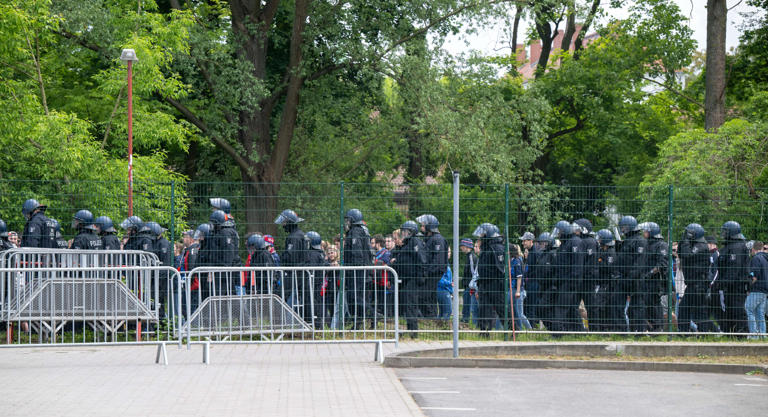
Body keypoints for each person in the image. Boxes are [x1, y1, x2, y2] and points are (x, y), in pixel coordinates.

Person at [391, 220, 427, 336]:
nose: (404, 234)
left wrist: (420, 277)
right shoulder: (407, 243)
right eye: (403, 231)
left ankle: (413, 332)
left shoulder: (415, 242)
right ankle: (410, 328)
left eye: (406, 231)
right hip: (406, 279)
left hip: (413, 279)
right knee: (407, 305)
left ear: (412, 232)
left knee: (411, 305)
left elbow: (421, 260)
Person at [677, 223, 712, 333]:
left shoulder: (700, 246)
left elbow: (687, 254)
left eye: (688, 233)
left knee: (692, 310)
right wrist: (684, 241)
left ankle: (697, 332)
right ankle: (695, 332)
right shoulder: (694, 244)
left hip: (698, 284)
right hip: (694, 283)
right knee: (692, 310)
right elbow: (681, 253)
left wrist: (686, 241)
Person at [342, 208, 373, 329]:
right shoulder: (360, 231)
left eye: (348, 220)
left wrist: (353, 268)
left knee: (355, 297)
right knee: (355, 297)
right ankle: (357, 322)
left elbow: (357, 253)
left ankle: (374, 314)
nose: (346, 223)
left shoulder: (355, 232)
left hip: (357, 271)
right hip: (357, 270)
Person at [718, 221, 750, 334]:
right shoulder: (730, 246)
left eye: (725, 231)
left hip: (736, 285)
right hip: (730, 286)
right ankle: (733, 332)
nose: (723, 234)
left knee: (737, 309)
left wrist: (723, 283)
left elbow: (733, 269)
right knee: (730, 309)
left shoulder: (736, 247)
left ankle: (741, 333)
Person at [615, 215, 647, 332]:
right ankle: (621, 331)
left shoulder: (640, 241)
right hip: (623, 278)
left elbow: (639, 263)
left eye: (624, 227)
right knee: (617, 305)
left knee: (637, 307)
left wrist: (630, 277)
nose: (622, 230)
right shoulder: (627, 241)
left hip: (635, 279)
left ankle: (639, 331)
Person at [473, 223, 506, 332]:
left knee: (501, 308)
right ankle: (484, 331)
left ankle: (513, 329)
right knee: (484, 308)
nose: (480, 236)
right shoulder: (486, 248)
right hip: (484, 283)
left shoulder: (497, 248)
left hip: (495, 284)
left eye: (483, 234)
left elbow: (501, 269)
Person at [551, 220, 583, 332]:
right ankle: (579, 331)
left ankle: (558, 331)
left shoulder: (575, 242)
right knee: (570, 308)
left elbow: (577, 264)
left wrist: (572, 282)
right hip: (563, 281)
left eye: (559, 232)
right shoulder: (565, 243)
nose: (558, 234)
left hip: (569, 282)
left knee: (562, 307)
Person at [637, 222, 667, 332]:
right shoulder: (647, 244)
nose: (644, 233)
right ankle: (650, 326)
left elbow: (663, 263)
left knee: (654, 303)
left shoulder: (661, 245)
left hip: (655, 280)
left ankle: (658, 327)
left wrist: (650, 273)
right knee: (646, 303)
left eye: (646, 231)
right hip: (645, 280)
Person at [416, 214, 448, 319]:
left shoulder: (437, 239)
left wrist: (427, 272)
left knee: (424, 296)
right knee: (429, 296)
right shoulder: (429, 239)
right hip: (429, 273)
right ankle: (431, 318)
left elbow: (437, 260)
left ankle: (430, 318)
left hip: (432, 273)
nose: (421, 227)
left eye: (423, 225)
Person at [574, 219, 598, 331]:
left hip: (588, 280)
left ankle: (595, 330)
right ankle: (579, 329)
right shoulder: (581, 241)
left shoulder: (590, 242)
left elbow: (591, 263)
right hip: (581, 279)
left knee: (591, 306)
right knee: (574, 306)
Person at [593, 229, 618, 332]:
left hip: (608, 283)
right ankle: (602, 327)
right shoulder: (602, 250)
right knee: (600, 305)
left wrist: (599, 264)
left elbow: (609, 267)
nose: (598, 240)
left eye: (600, 238)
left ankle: (606, 328)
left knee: (602, 305)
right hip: (602, 282)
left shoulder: (610, 252)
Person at [209, 210, 239, 295]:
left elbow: (228, 253)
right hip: (223, 271)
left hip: (224, 272)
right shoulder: (223, 232)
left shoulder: (225, 233)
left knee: (222, 296)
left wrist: (225, 269)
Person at [305, 231, 331, 327]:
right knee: (319, 304)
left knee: (314, 305)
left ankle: (316, 325)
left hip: (313, 284)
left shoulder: (312, 254)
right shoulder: (320, 253)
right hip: (318, 283)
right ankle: (321, 324)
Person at [534, 232, 557, 331]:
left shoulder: (554, 254)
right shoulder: (543, 254)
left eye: (544, 243)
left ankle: (553, 329)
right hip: (542, 286)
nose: (542, 245)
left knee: (544, 308)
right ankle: (551, 329)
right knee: (539, 310)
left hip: (551, 287)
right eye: (541, 243)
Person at [746, 241, 768, 338]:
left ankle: (754, 335)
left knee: (748, 309)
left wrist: (748, 288)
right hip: (764, 291)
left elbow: (754, 276)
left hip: (756, 289)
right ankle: (763, 335)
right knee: (760, 313)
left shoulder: (756, 258)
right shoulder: (765, 259)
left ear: (753, 249)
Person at [509, 244, 532, 330]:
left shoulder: (517, 261)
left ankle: (529, 330)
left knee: (519, 313)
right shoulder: (510, 261)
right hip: (511, 289)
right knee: (512, 311)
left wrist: (518, 291)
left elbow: (519, 277)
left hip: (518, 290)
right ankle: (517, 329)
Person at [372, 234, 393, 317]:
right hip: (376, 280)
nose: (371, 245)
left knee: (383, 299)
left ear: (378, 243)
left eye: (373, 243)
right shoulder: (375, 253)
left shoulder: (386, 253)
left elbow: (388, 265)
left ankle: (386, 316)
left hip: (383, 281)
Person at [460, 238, 479, 325]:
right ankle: (465, 319)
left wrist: (471, 284)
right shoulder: (468, 257)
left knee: (468, 304)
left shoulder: (471, 257)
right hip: (467, 285)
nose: (461, 248)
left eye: (462, 246)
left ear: (467, 246)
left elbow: (473, 272)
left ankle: (466, 320)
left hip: (470, 286)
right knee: (466, 303)